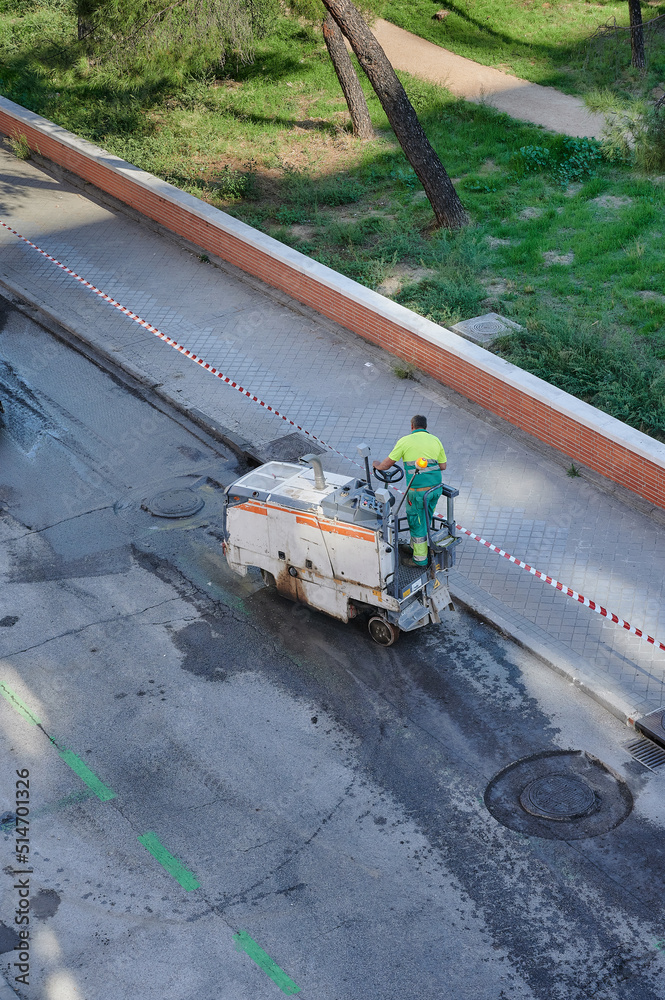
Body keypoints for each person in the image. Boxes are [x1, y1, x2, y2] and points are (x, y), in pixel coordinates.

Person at [373, 415, 447, 567]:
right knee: (425, 518)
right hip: (435, 490)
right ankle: (414, 547)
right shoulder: (435, 440)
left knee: (416, 521)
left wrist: (378, 466)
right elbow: (443, 466)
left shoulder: (405, 441)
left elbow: (386, 465)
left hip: (418, 492)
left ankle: (420, 560)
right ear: (425, 427)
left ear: (412, 426)